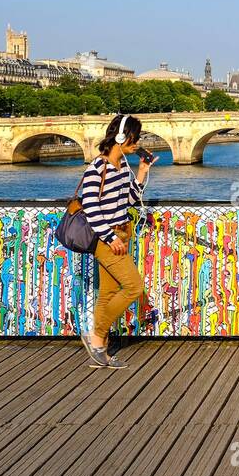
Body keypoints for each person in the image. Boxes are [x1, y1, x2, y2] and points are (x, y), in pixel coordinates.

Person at [77, 113, 155, 369]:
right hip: (108, 239)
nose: (138, 142)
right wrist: (109, 237)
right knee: (133, 287)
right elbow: (90, 206)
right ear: (121, 137)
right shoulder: (97, 168)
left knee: (108, 293)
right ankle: (95, 335)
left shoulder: (123, 167)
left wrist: (142, 172)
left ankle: (100, 352)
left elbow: (130, 200)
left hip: (122, 233)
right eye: (135, 137)